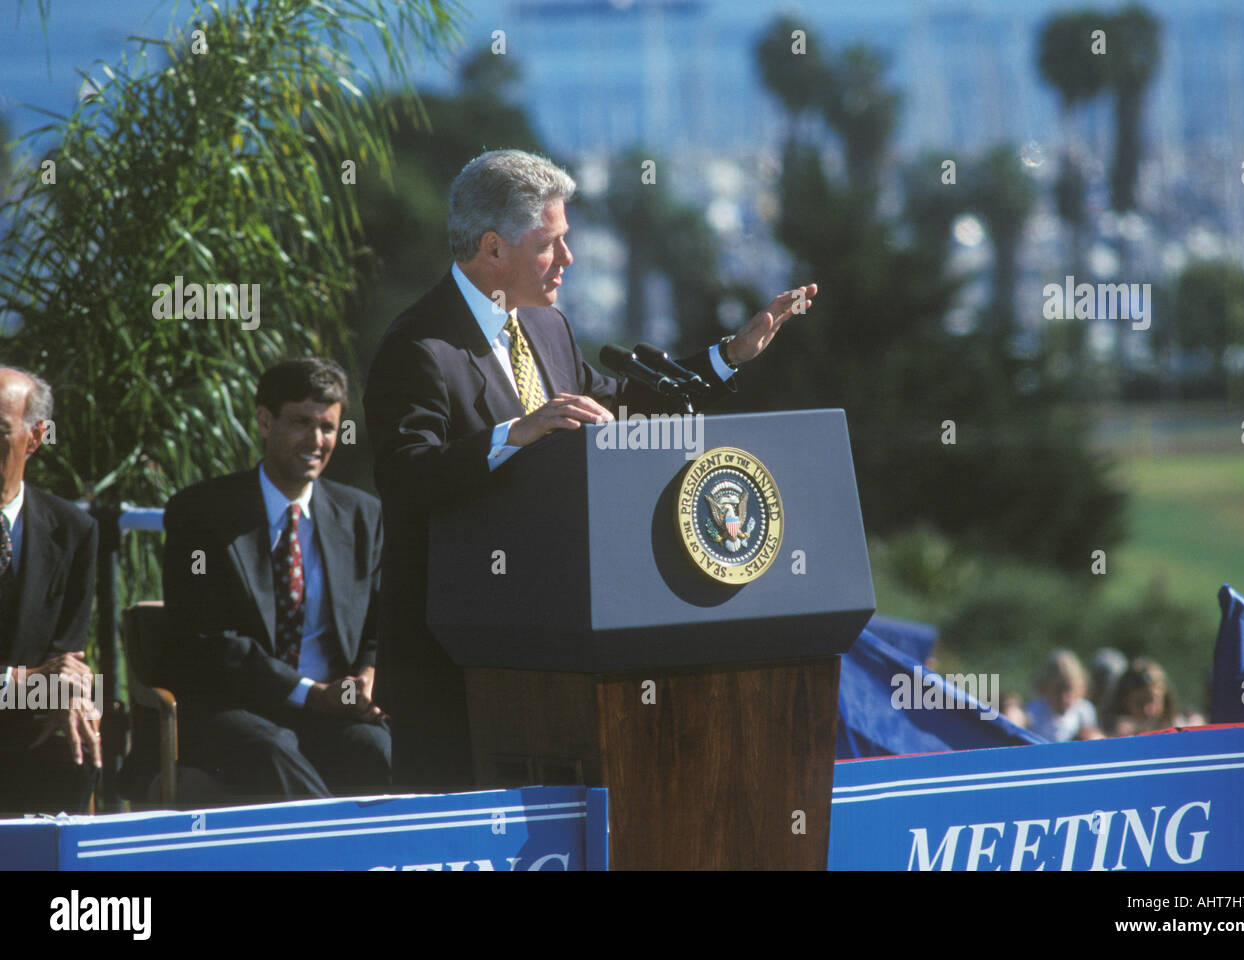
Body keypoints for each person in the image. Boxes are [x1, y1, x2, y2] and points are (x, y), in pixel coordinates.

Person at [364, 148, 817, 791]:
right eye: (553, 244)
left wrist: (728, 357)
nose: (570, 260)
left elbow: (620, 400)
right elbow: (405, 478)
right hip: (452, 660)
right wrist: (513, 434)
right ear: (493, 249)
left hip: (548, 647)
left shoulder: (547, 327)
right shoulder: (418, 348)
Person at [162, 359, 390, 801]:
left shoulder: (363, 515)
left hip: (332, 710)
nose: (317, 441)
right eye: (301, 423)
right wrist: (309, 694)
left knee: (377, 750)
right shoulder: (201, 513)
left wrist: (368, 673)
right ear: (265, 421)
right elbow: (209, 639)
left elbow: (383, 623)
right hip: (230, 707)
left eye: (328, 427)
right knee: (274, 749)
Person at [0, 367, 100, 817]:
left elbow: (67, 654)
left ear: (35, 437)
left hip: (26, 726)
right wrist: (25, 680)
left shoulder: (73, 530)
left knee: (77, 749)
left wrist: (72, 692)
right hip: (21, 703)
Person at [1107, 657, 1200, 736]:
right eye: (1139, 703)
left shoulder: (1181, 728)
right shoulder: (1111, 732)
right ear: (1124, 702)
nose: (1147, 710)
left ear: (1164, 699)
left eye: (1152, 701)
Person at [1023, 649, 1100, 742]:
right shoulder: (1034, 711)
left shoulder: (1083, 711)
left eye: (1069, 690)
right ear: (1044, 688)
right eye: (1057, 691)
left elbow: (1095, 739)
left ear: (1080, 688)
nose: (1064, 698)